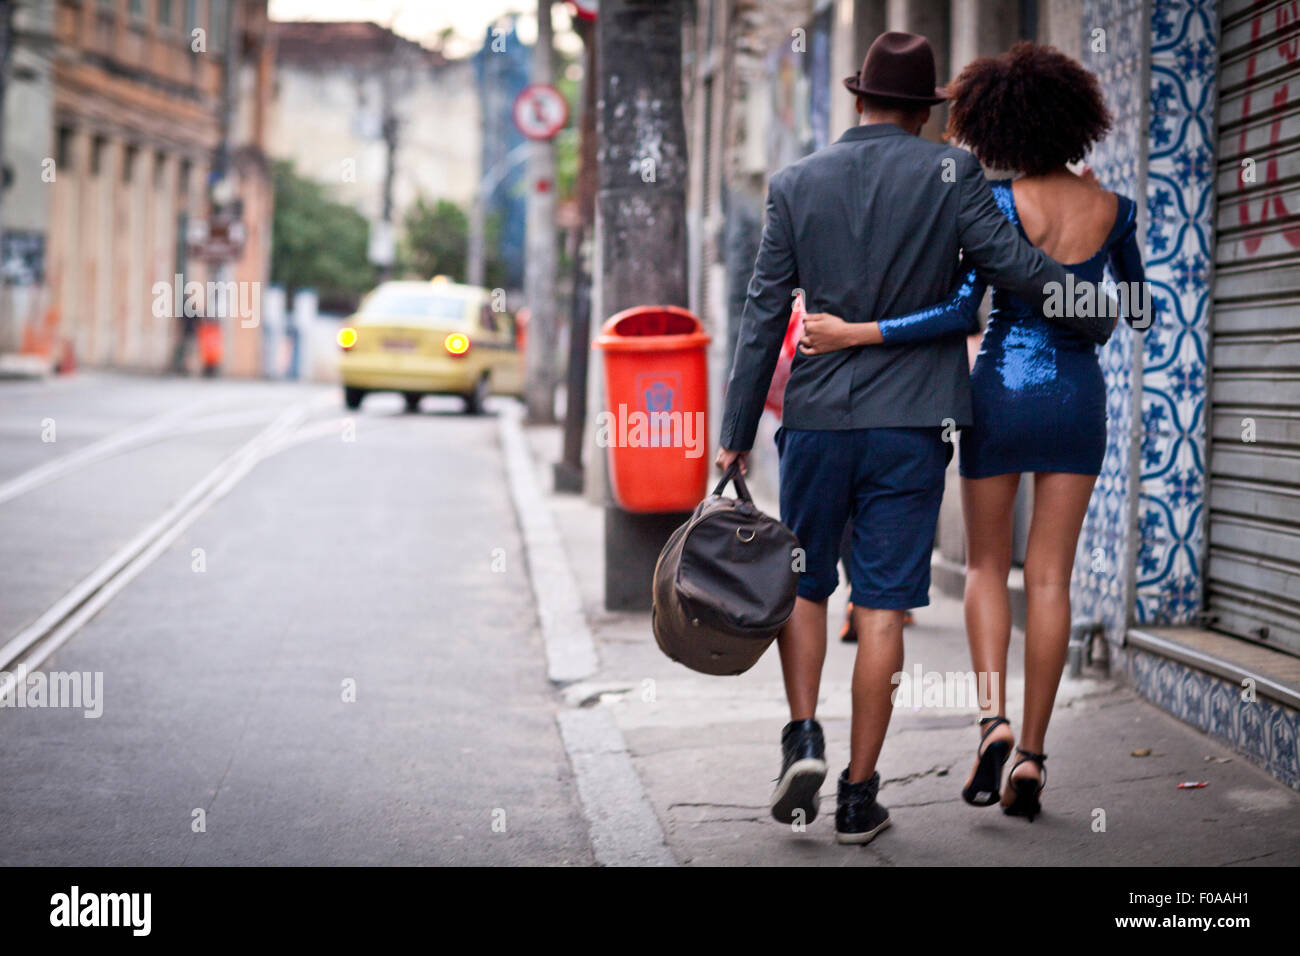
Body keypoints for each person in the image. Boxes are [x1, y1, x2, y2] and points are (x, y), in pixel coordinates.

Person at [715, 31, 1112, 845]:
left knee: (806, 585)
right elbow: (1011, 267)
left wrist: (734, 431)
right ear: (928, 113)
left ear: (859, 100)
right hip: (913, 425)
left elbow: (764, 313)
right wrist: (1090, 302)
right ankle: (860, 794)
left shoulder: (795, 183)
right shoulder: (952, 174)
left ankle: (802, 736)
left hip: (817, 418)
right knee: (885, 606)